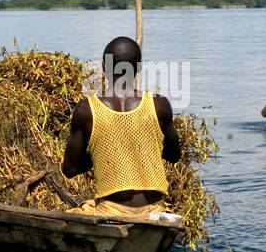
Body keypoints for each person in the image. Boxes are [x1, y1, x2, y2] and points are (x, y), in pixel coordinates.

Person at [62, 36, 181, 218]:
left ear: (103, 67)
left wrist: (100, 153)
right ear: (139, 68)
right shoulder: (159, 105)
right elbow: (174, 155)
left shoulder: (86, 109)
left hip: (111, 211)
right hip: (155, 210)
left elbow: (69, 169)